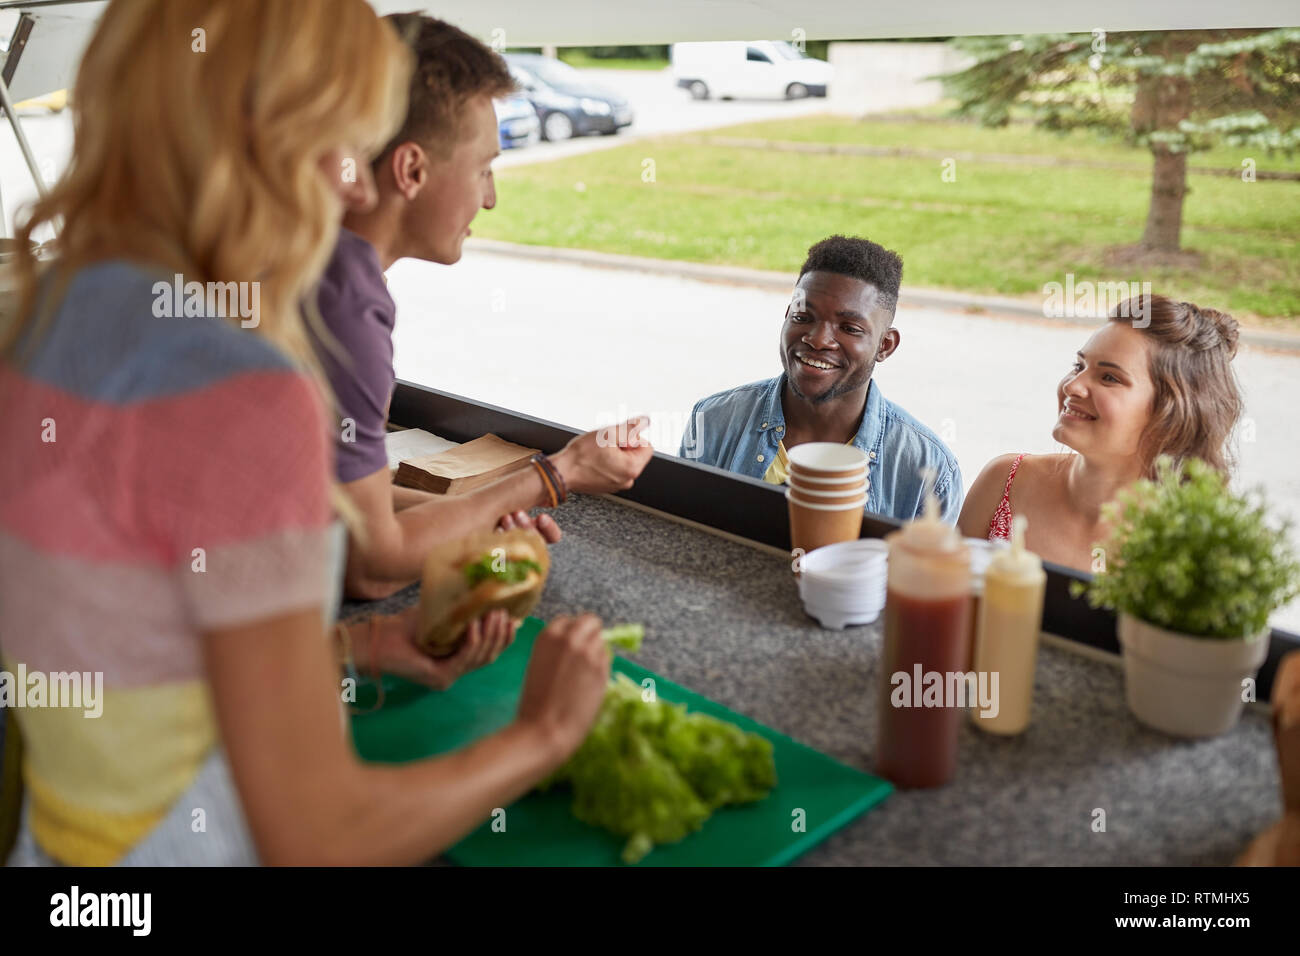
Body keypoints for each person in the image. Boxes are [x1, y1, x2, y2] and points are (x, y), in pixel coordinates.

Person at [0, 0, 610, 867]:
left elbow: (132, 642)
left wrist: (360, 646)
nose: (357, 188)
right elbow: (319, 835)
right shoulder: (241, 390)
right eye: (341, 144)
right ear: (260, 138)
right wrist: (544, 734)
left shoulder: (46, 319)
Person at [312, 13, 653, 601]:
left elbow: (331, 499)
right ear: (411, 170)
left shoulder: (307, 255)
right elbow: (370, 563)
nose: (490, 198)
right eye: (483, 169)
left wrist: (481, 517)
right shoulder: (346, 303)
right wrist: (557, 474)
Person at [678, 235, 962, 521]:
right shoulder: (714, 420)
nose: (817, 339)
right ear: (788, 316)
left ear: (885, 345)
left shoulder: (929, 470)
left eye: (849, 328)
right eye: (803, 317)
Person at [958, 295, 1244, 570]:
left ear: (1172, 411)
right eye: (1079, 366)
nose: (1073, 386)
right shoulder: (1005, 480)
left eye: (1109, 377)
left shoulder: (1193, 541)